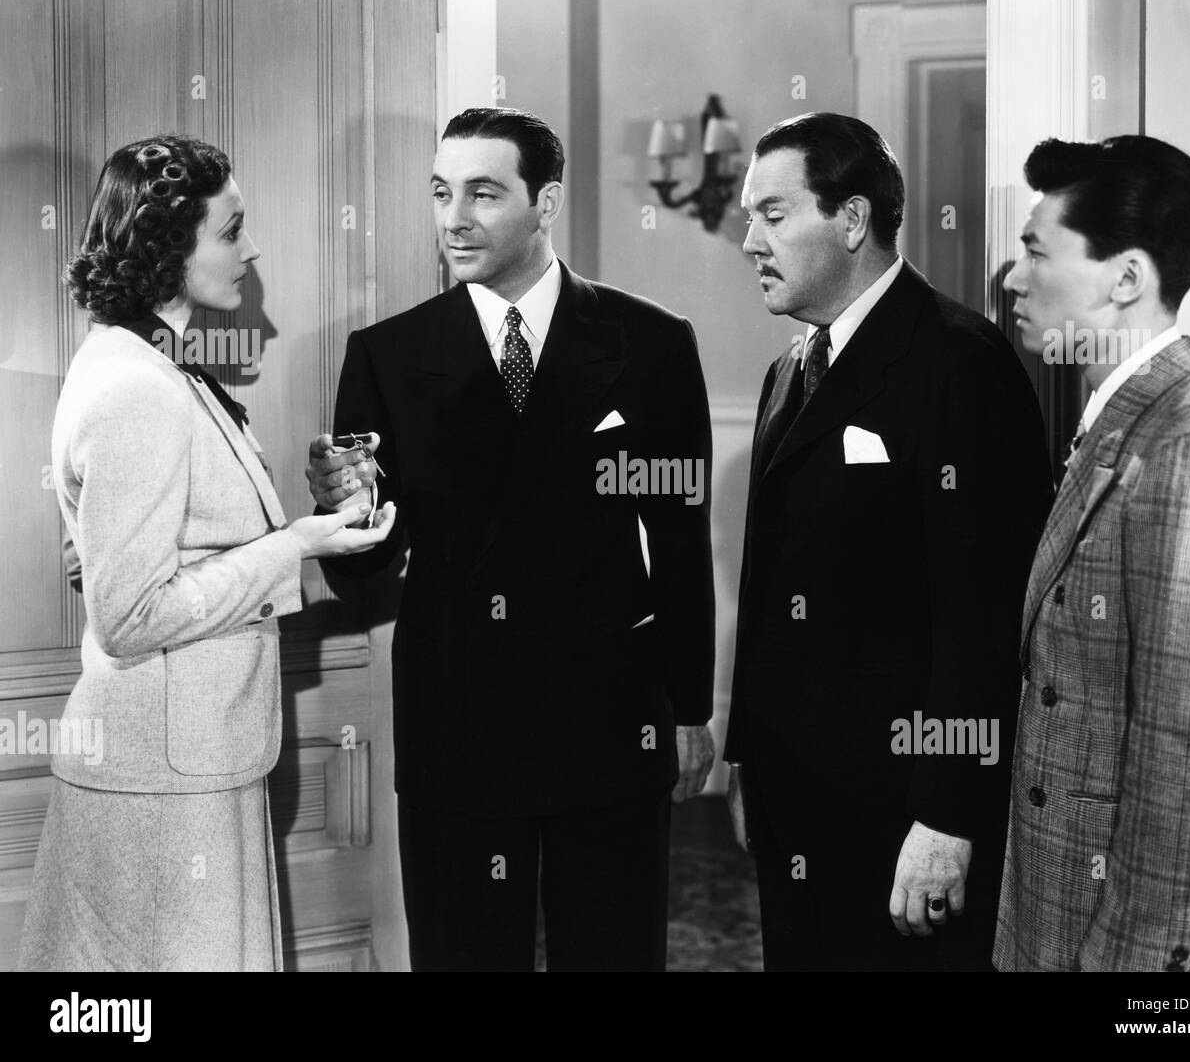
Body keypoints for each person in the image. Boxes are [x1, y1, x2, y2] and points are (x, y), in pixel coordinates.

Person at [306, 107, 716, 971]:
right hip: (459, 726)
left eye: (484, 193)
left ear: (546, 201)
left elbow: (680, 540)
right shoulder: (386, 356)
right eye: (441, 193)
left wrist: (689, 708)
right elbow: (368, 573)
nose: (455, 217)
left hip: (609, 725)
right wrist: (352, 528)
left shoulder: (651, 344)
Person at [19, 134, 393, 972]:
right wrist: (295, 542)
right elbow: (127, 614)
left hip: (182, 766)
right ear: (166, 243)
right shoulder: (136, 387)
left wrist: (315, 522)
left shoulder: (148, 365)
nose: (251, 250)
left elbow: (110, 563)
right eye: (231, 231)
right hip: (160, 779)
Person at [726, 112, 1053, 970]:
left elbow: (984, 619)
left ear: (853, 220)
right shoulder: (786, 370)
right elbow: (768, 588)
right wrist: (747, 763)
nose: (748, 239)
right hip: (795, 802)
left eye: (772, 214)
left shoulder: (959, 361)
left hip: (903, 814)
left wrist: (947, 816)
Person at [996, 135, 1190, 972]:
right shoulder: (1125, 423)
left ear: (1124, 279)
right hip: (1071, 909)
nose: (1014, 278)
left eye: (1035, 250)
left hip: (1147, 950)